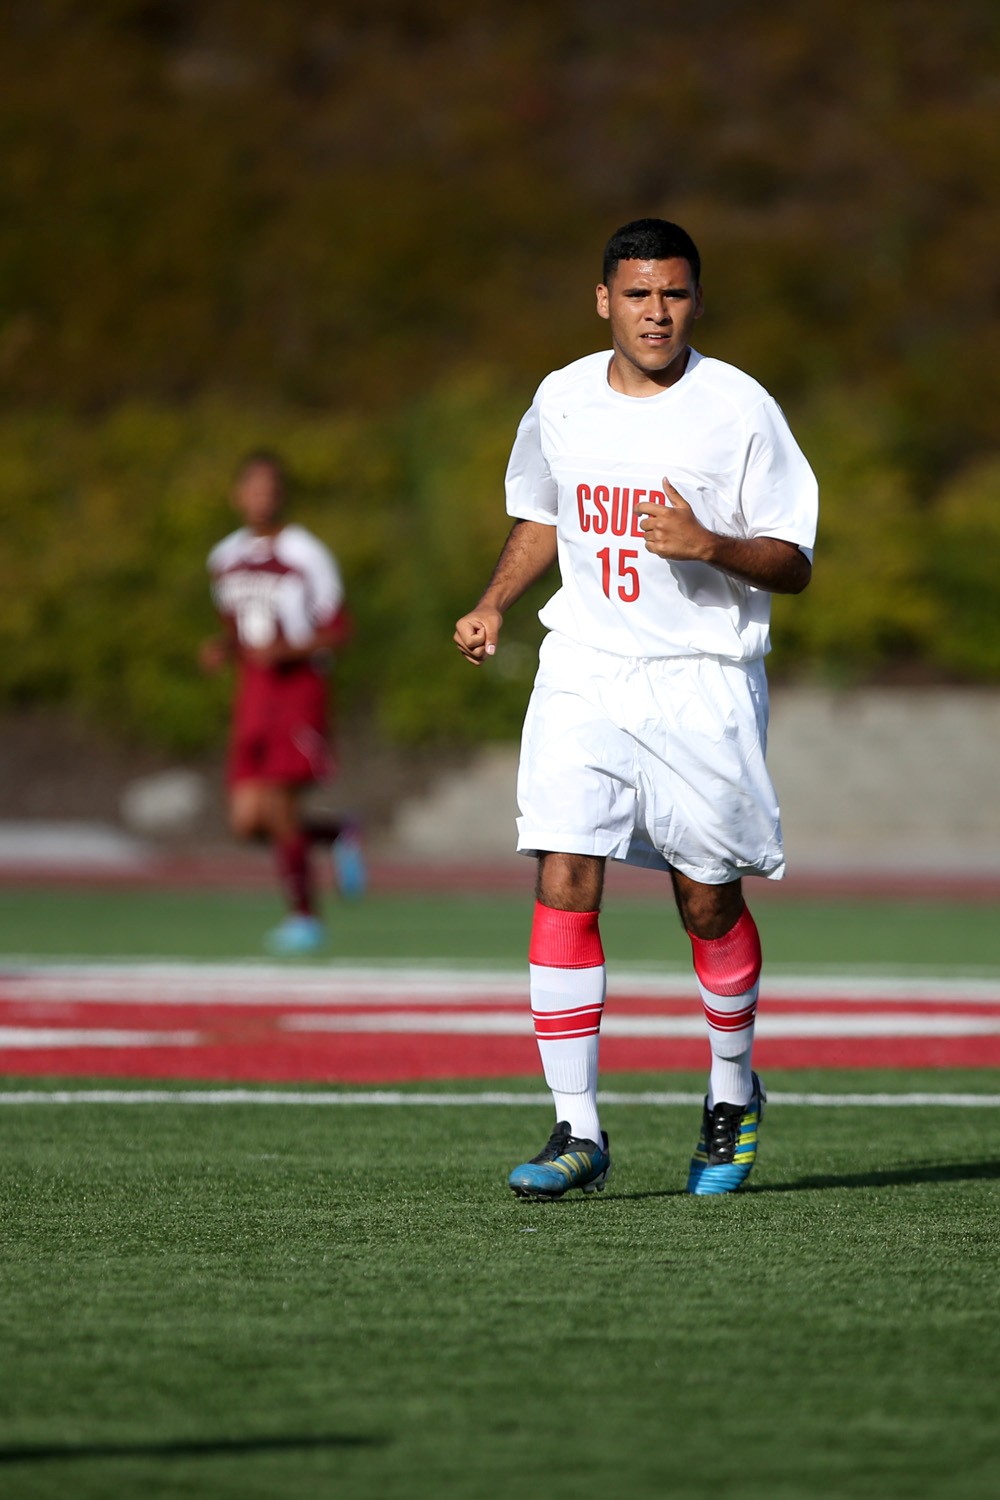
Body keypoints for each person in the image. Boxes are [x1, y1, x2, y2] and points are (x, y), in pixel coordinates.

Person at [454, 218, 818, 1198]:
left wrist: (709, 545)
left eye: (674, 293)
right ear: (603, 299)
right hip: (585, 662)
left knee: (706, 898)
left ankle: (732, 1091)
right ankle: (577, 1129)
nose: (656, 312)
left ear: (695, 300)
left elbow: (793, 561)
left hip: (701, 675)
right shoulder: (561, 397)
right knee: (564, 868)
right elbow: (541, 512)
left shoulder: (739, 406)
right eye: (639, 293)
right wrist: (495, 601)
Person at [201, 450, 365, 956]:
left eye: (270, 489)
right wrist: (223, 647)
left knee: (278, 803)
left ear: (282, 496)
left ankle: (304, 918)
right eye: (252, 488)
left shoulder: (305, 553)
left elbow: (338, 630)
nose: (261, 498)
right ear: (237, 495)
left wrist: (287, 650)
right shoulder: (224, 557)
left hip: (297, 692)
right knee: (247, 821)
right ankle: (336, 834)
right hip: (252, 694)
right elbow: (237, 622)